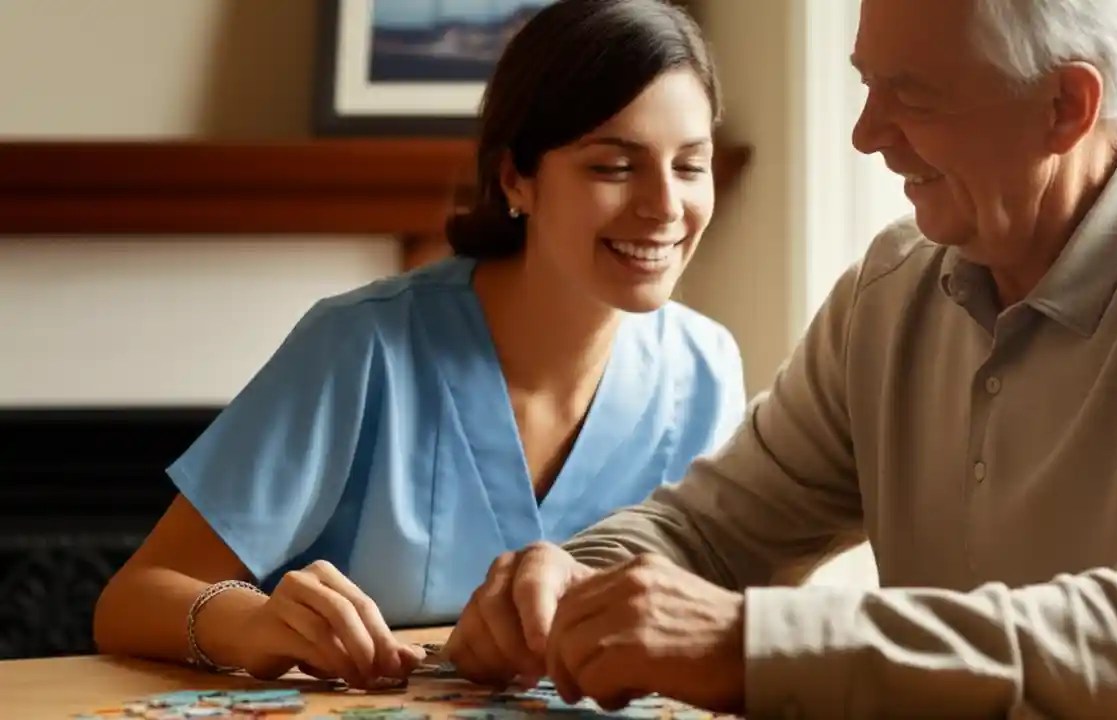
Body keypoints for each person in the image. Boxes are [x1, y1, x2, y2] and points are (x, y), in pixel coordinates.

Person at [445, 0, 1117, 716]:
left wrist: (753, 645)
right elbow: (709, 531)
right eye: (866, 84)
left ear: (1064, 105)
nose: (865, 134)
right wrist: (562, 580)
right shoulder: (890, 289)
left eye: (910, 95)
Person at [93, 0, 744, 692]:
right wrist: (251, 623)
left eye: (690, 166)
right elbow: (132, 599)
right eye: (615, 166)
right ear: (515, 178)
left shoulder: (706, 371)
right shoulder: (360, 346)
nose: (665, 205)